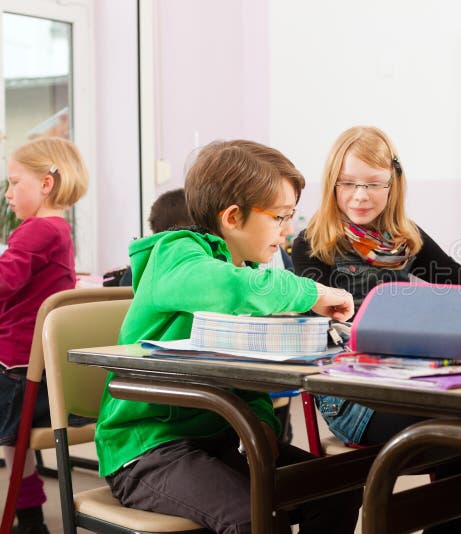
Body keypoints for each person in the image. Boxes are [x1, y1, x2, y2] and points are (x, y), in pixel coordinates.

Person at [292, 125, 461, 534]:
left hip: (412, 381)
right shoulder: (312, 244)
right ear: (332, 184)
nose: (360, 195)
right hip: (352, 396)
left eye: (373, 184)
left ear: (393, 185)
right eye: (348, 183)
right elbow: (316, 327)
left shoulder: (405, 238)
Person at [94, 140, 360, 534]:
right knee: (252, 517)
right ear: (233, 217)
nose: (288, 231)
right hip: (147, 449)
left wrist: (264, 422)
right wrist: (312, 292)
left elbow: (243, 371)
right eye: (280, 217)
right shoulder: (176, 255)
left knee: (337, 488)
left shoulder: (244, 270)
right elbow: (230, 288)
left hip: (218, 437)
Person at [1, 137, 89, 534]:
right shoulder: (58, 230)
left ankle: (31, 520)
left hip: (17, 372)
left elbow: (4, 281)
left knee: (11, 443)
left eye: (13, 182)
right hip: (34, 374)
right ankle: (31, 520)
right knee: (11, 445)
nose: (7, 194)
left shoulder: (35, 231)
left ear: (45, 184)